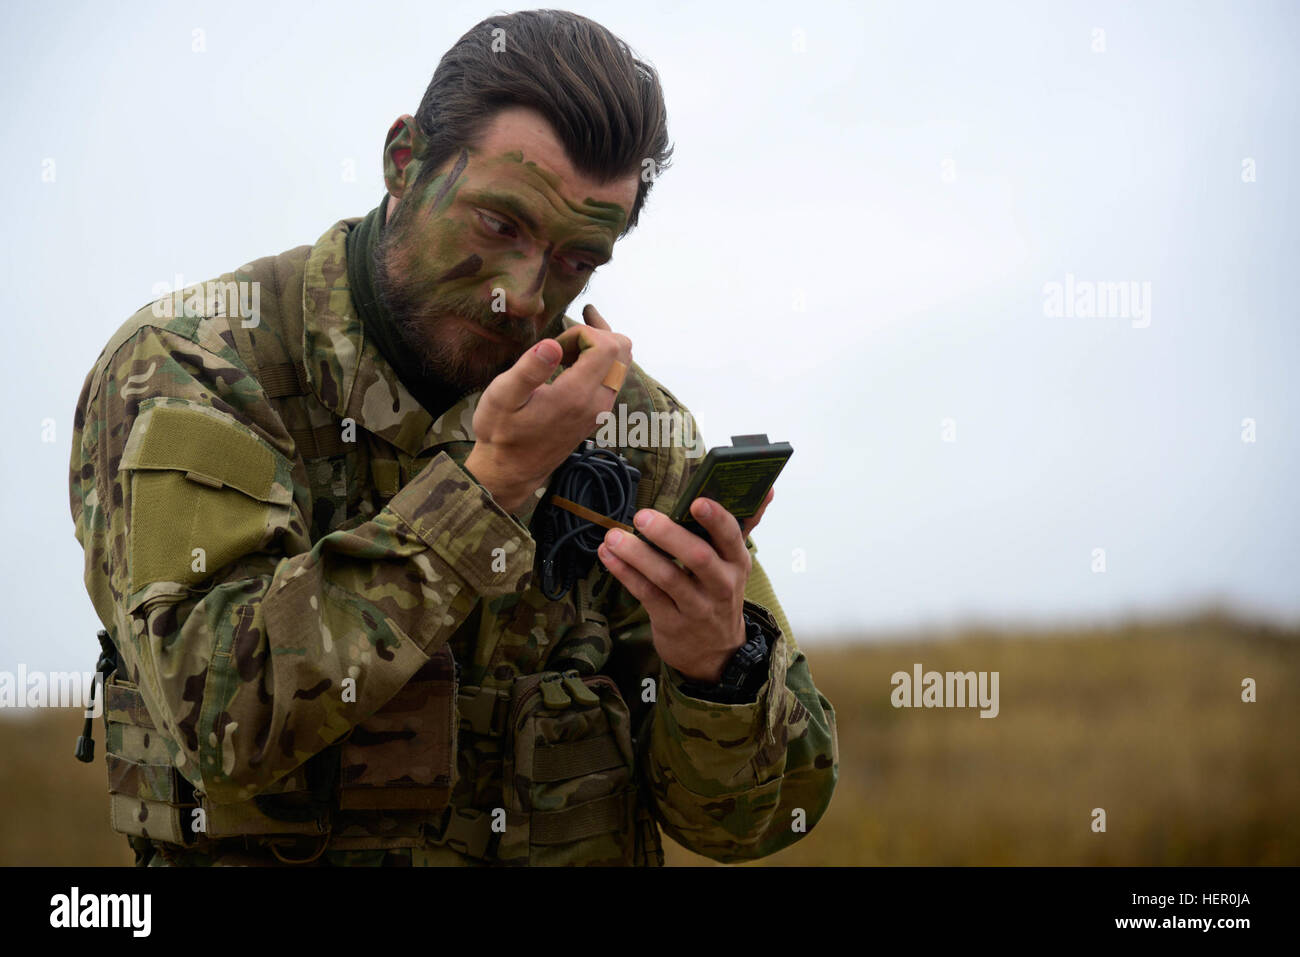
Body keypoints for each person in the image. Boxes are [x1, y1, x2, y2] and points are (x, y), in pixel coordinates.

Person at [68, 8, 837, 867]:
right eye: (498, 224)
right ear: (405, 161)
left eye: (576, 259)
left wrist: (719, 672)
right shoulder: (191, 367)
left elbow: (767, 820)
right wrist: (488, 490)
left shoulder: (624, 426)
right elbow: (223, 719)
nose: (523, 291)